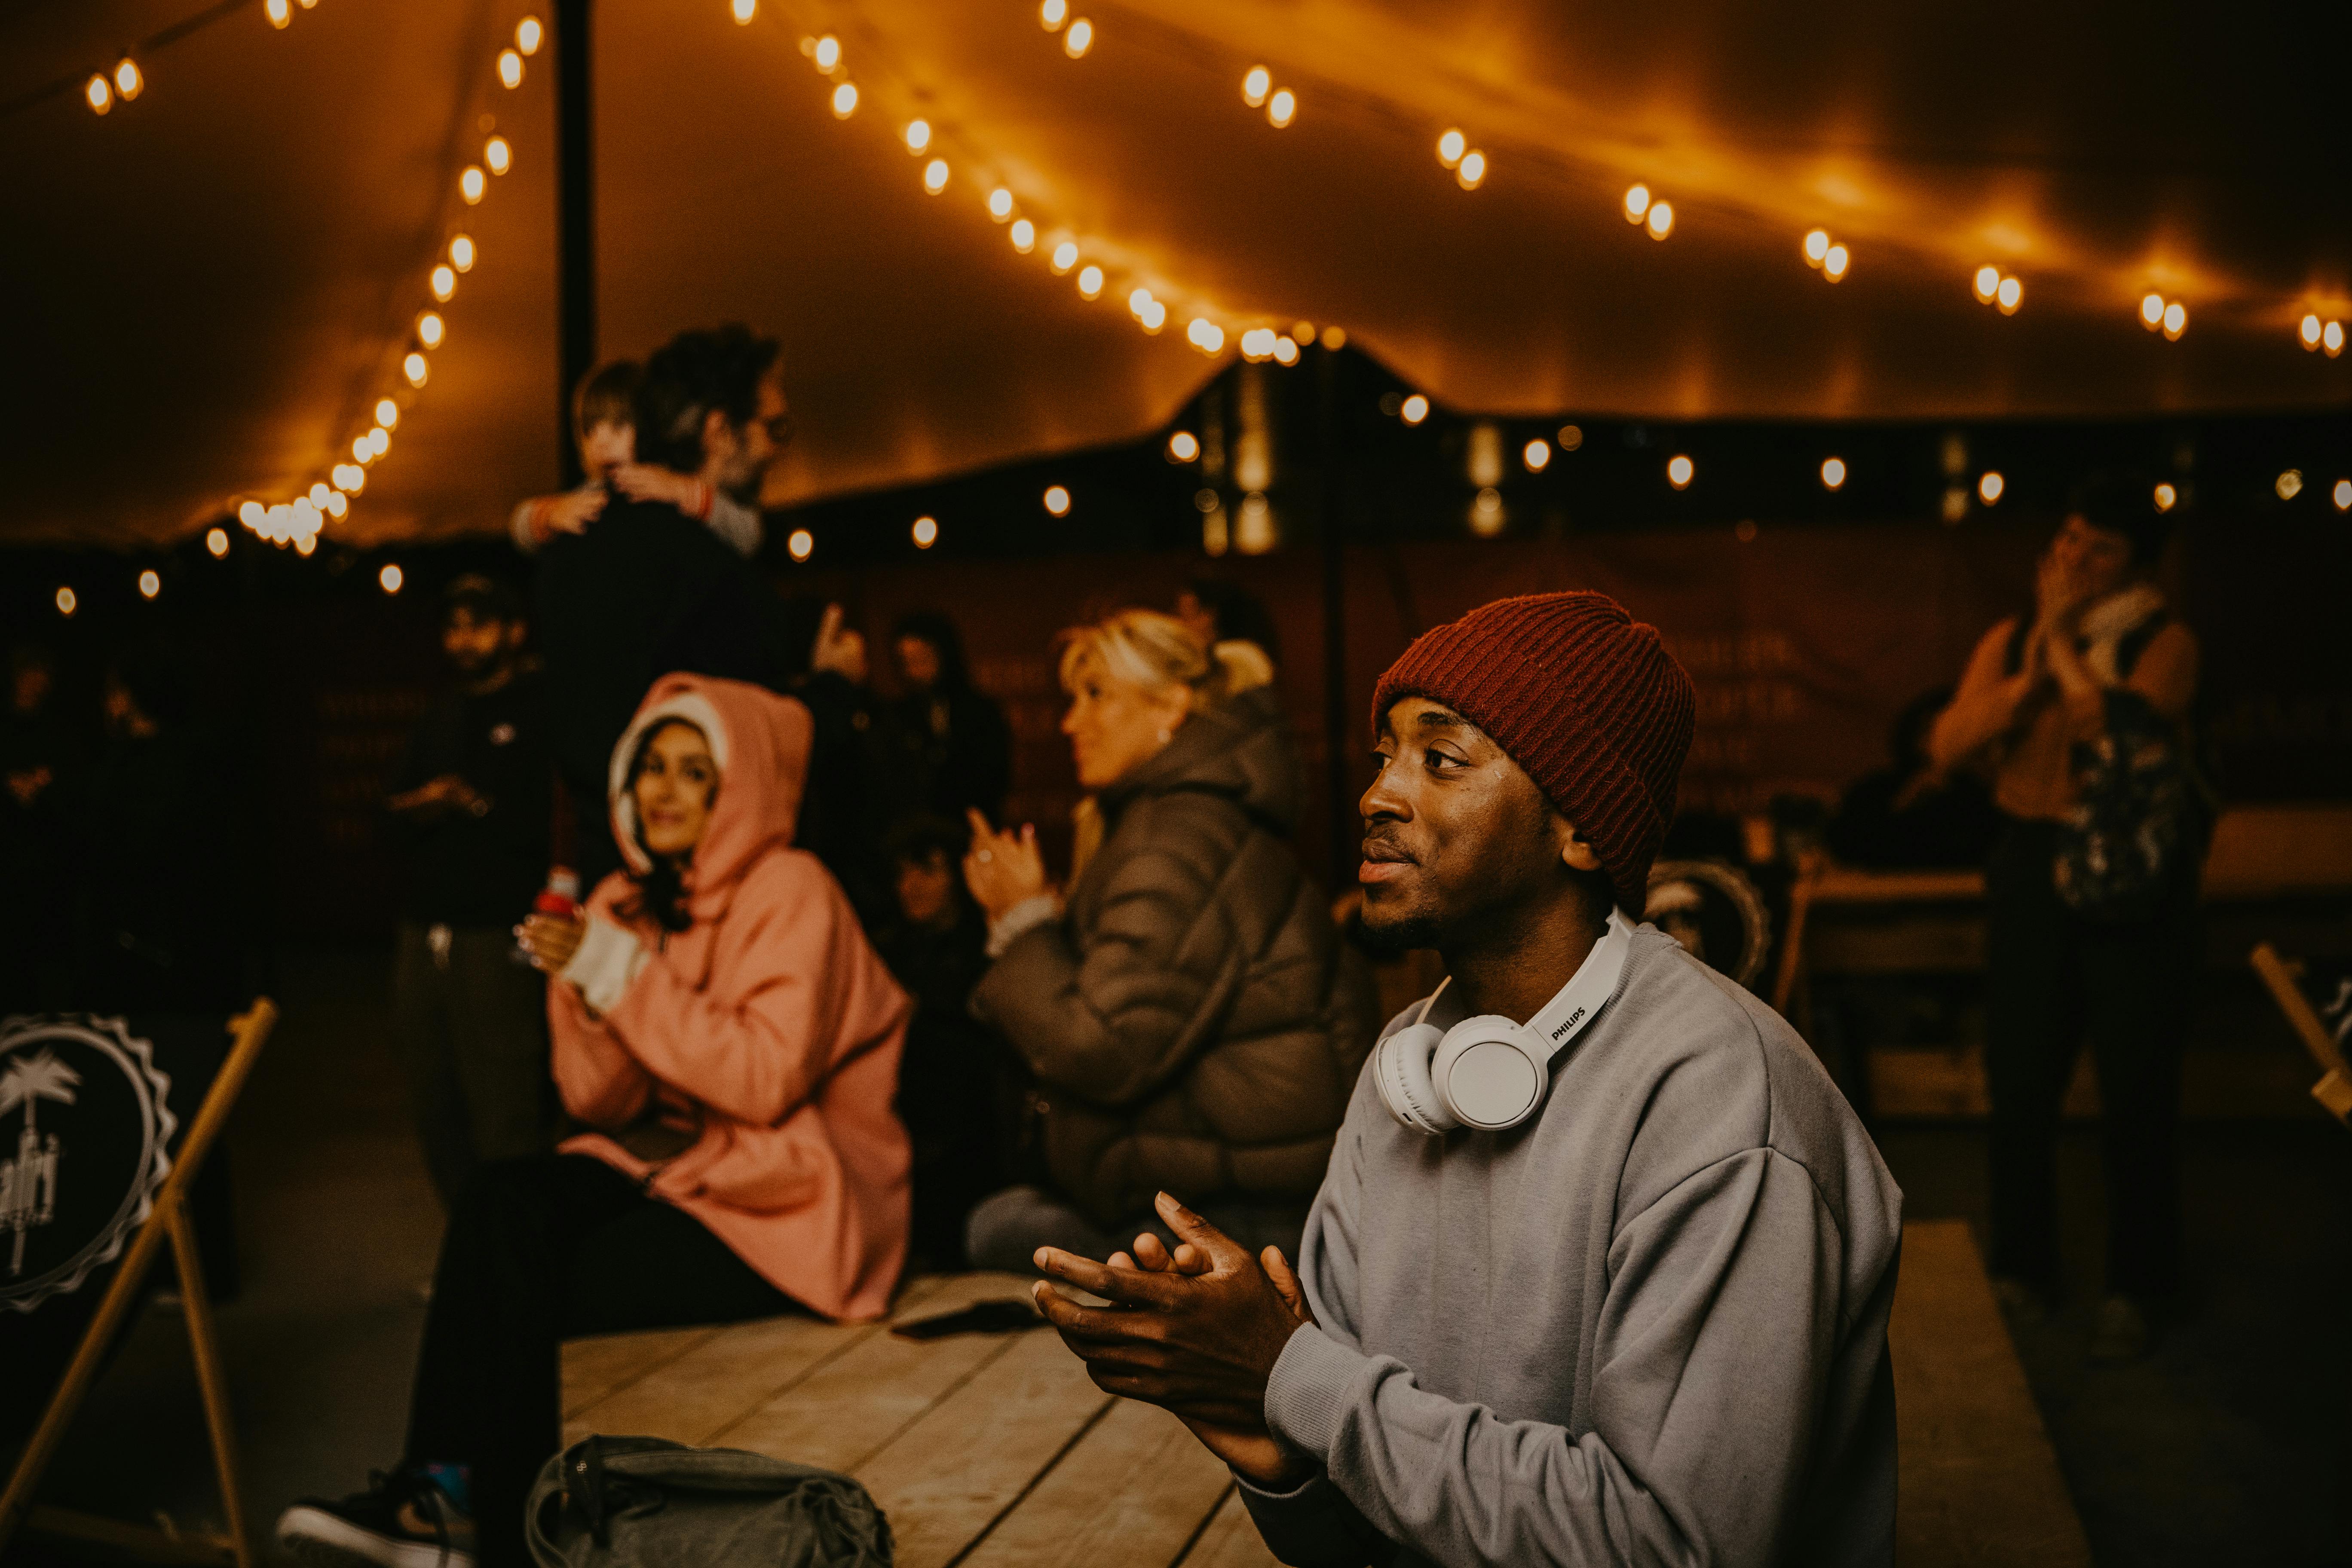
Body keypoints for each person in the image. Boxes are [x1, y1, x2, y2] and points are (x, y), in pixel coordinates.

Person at [1026, 592, 1905, 1568]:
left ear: (1578, 827)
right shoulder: (1405, 1069)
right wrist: (1271, 1443)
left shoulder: (1726, 1107)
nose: (1375, 796)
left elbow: (1674, 1547)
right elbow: (1357, 1528)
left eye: (1438, 760)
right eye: (1382, 758)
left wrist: (1293, 1375)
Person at [277, 674, 911, 1568]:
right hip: (692, 1172)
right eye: (652, 764)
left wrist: (617, 975)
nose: (662, 789)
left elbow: (766, 1079)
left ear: (746, 787)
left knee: (517, 1277)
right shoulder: (631, 897)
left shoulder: (793, 888)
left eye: (696, 772)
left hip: (797, 1207)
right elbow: (601, 1104)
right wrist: (583, 989)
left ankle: (479, 1527)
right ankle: (448, 1499)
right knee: (501, 1197)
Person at [959, 609, 1377, 1272]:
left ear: (1172, 706)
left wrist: (1024, 920)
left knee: (999, 1229)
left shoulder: (1177, 838)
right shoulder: (1183, 821)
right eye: (1073, 699)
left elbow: (1105, 1048)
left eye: (1097, 695)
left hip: (1257, 1214)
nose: (1072, 721)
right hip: (1245, 1182)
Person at [1926, 476, 2199, 1363]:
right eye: (2070, 539)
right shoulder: (2008, 641)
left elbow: (2112, 734)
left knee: (2136, 1084)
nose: (2075, 557)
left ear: (2138, 569)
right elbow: (1949, 743)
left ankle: (2141, 1284)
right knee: (2022, 1078)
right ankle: (2023, 1269)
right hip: (2031, 867)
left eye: (2102, 549)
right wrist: (2034, 665)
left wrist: (2062, 646)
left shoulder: (2167, 642)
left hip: (2130, 877)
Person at [534, 325, 793, 890]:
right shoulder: (710, 570)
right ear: (720, 431)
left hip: (603, 880)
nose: (780, 448)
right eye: (775, 428)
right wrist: (831, 686)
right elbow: (752, 753)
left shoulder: (564, 553)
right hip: (693, 891)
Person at [384, 575, 558, 1205]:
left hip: (500, 929)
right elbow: (392, 807)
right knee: (435, 1094)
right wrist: (428, 804)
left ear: (513, 632)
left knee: (506, 1096)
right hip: (425, 926)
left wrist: (472, 804)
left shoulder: (540, 709)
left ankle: (518, 1259)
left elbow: (542, 825)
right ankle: (470, 1248)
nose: (462, 640)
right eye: (453, 627)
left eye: (478, 625)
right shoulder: (440, 715)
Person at [873, 813, 1015, 1267]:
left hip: (972, 1139)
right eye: (901, 873)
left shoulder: (992, 948)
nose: (910, 885)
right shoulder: (886, 953)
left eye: (926, 869)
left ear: (959, 874)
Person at [74, 640, 244, 1017]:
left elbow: (120, 848)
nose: (106, 703)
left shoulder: (132, 769)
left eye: (113, 692)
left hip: (149, 947)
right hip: (178, 945)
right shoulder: (193, 759)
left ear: (131, 697)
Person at [509, 361, 764, 559]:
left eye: (618, 426)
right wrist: (549, 514)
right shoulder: (592, 496)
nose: (600, 442)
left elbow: (749, 534)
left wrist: (682, 491)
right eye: (589, 429)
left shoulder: (673, 483)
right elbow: (519, 527)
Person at [1826, 687, 2000, 869]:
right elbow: (1842, 841)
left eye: (1948, 732)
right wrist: (1902, 804)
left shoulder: (1983, 793)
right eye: (1928, 730)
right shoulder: (1878, 789)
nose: (1937, 742)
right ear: (1912, 735)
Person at [0, 643, 81, 1011]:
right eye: (29, 673)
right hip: (11, 863)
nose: (37, 682)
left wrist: (45, 786)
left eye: (42, 674)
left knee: (49, 961)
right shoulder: (8, 726)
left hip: (47, 866)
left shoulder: (58, 729)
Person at [880, 610, 1013, 827]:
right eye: (906, 662)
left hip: (972, 830)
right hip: (916, 835)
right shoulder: (896, 717)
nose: (914, 671)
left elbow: (996, 777)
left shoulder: (980, 712)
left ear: (943, 654)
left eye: (922, 658)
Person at [1176, 578, 1282, 672]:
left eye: (1185, 616)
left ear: (1211, 616)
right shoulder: (1249, 654)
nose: (1178, 624)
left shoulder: (1235, 658)